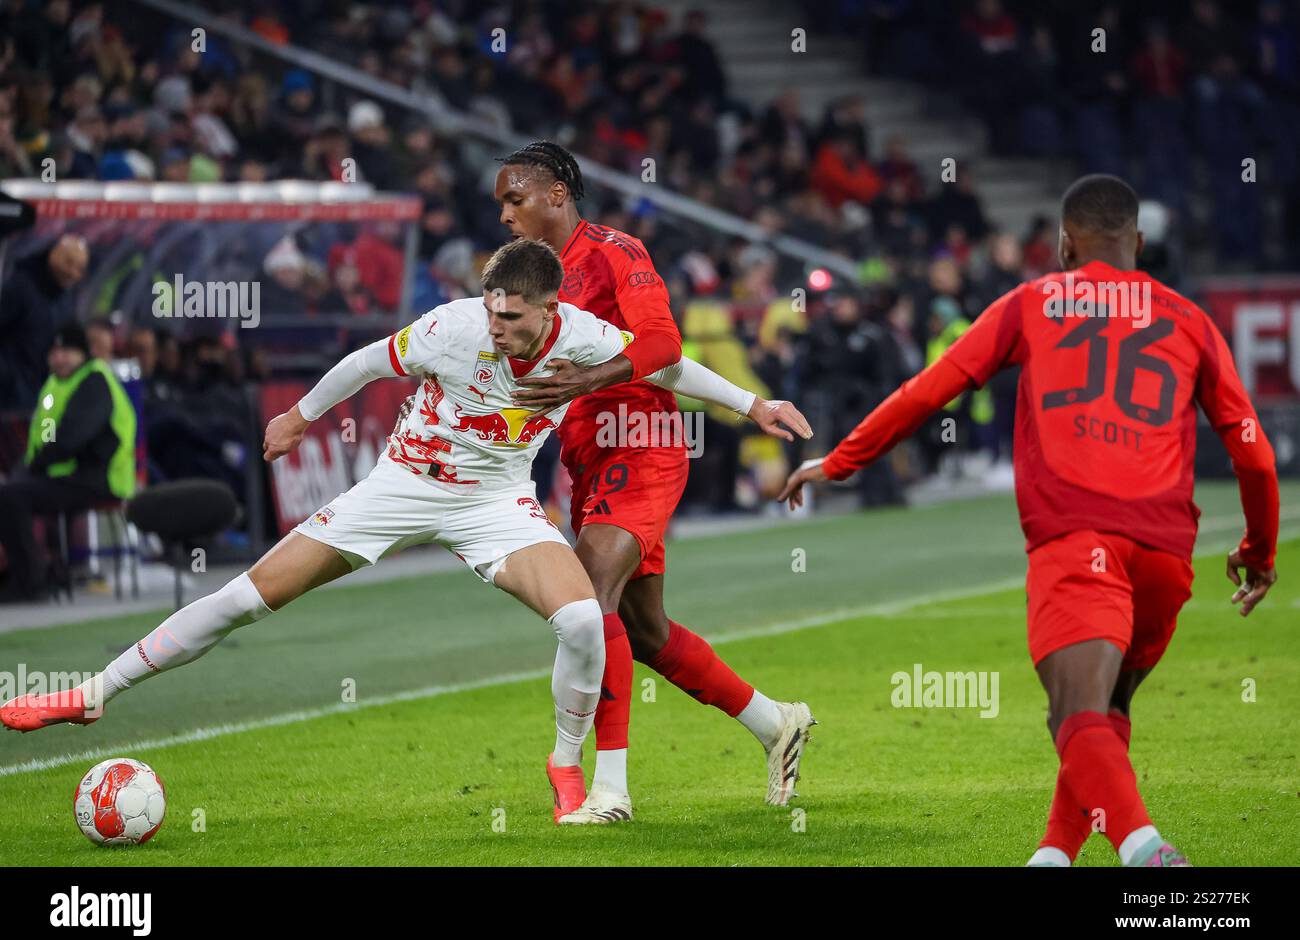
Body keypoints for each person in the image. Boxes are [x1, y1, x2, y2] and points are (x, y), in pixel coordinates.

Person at [2, 239, 810, 824]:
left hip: (494, 501)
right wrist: (298, 416)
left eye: (513, 316)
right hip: (401, 487)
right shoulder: (452, 327)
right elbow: (363, 362)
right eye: (492, 311)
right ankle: (96, 692)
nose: (497, 329)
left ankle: (566, 768)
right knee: (250, 597)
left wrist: (756, 406)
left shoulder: (589, 342)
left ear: (550, 310)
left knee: (581, 619)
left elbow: (669, 368)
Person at [780, 175, 1280, 867]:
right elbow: (1254, 454)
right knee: (1104, 713)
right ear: (1137, 242)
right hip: (1166, 556)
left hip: (1078, 539)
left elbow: (926, 391)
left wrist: (839, 460)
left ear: (1064, 244)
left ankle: (1146, 851)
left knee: (1074, 715)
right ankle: (1053, 854)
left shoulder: (1031, 302)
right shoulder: (1190, 319)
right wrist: (1259, 547)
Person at [494, 141, 816, 824]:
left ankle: (609, 790)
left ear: (557, 194)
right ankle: (775, 723)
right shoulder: (527, 279)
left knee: (587, 594)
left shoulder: (615, 252)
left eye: (514, 197)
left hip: (641, 441)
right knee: (644, 630)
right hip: (588, 455)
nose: (504, 213)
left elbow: (662, 348)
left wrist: (747, 405)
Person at [0, 322, 136, 601]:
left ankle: (32, 582)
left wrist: (34, 467)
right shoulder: (56, 383)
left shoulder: (95, 380)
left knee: (12, 497)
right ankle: (39, 573)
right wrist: (27, 469)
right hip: (65, 475)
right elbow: (43, 439)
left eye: (67, 351)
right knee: (12, 492)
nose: (59, 358)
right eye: (55, 351)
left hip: (99, 479)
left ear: (82, 354)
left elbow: (71, 438)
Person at [0, 234, 88, 412]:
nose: (73, 272)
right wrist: (8, 377)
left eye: (80, 268)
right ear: (52, 254)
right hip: (9, 397)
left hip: (40, 398)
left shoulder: (66, 299)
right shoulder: (21, 287)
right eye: (69, 262)